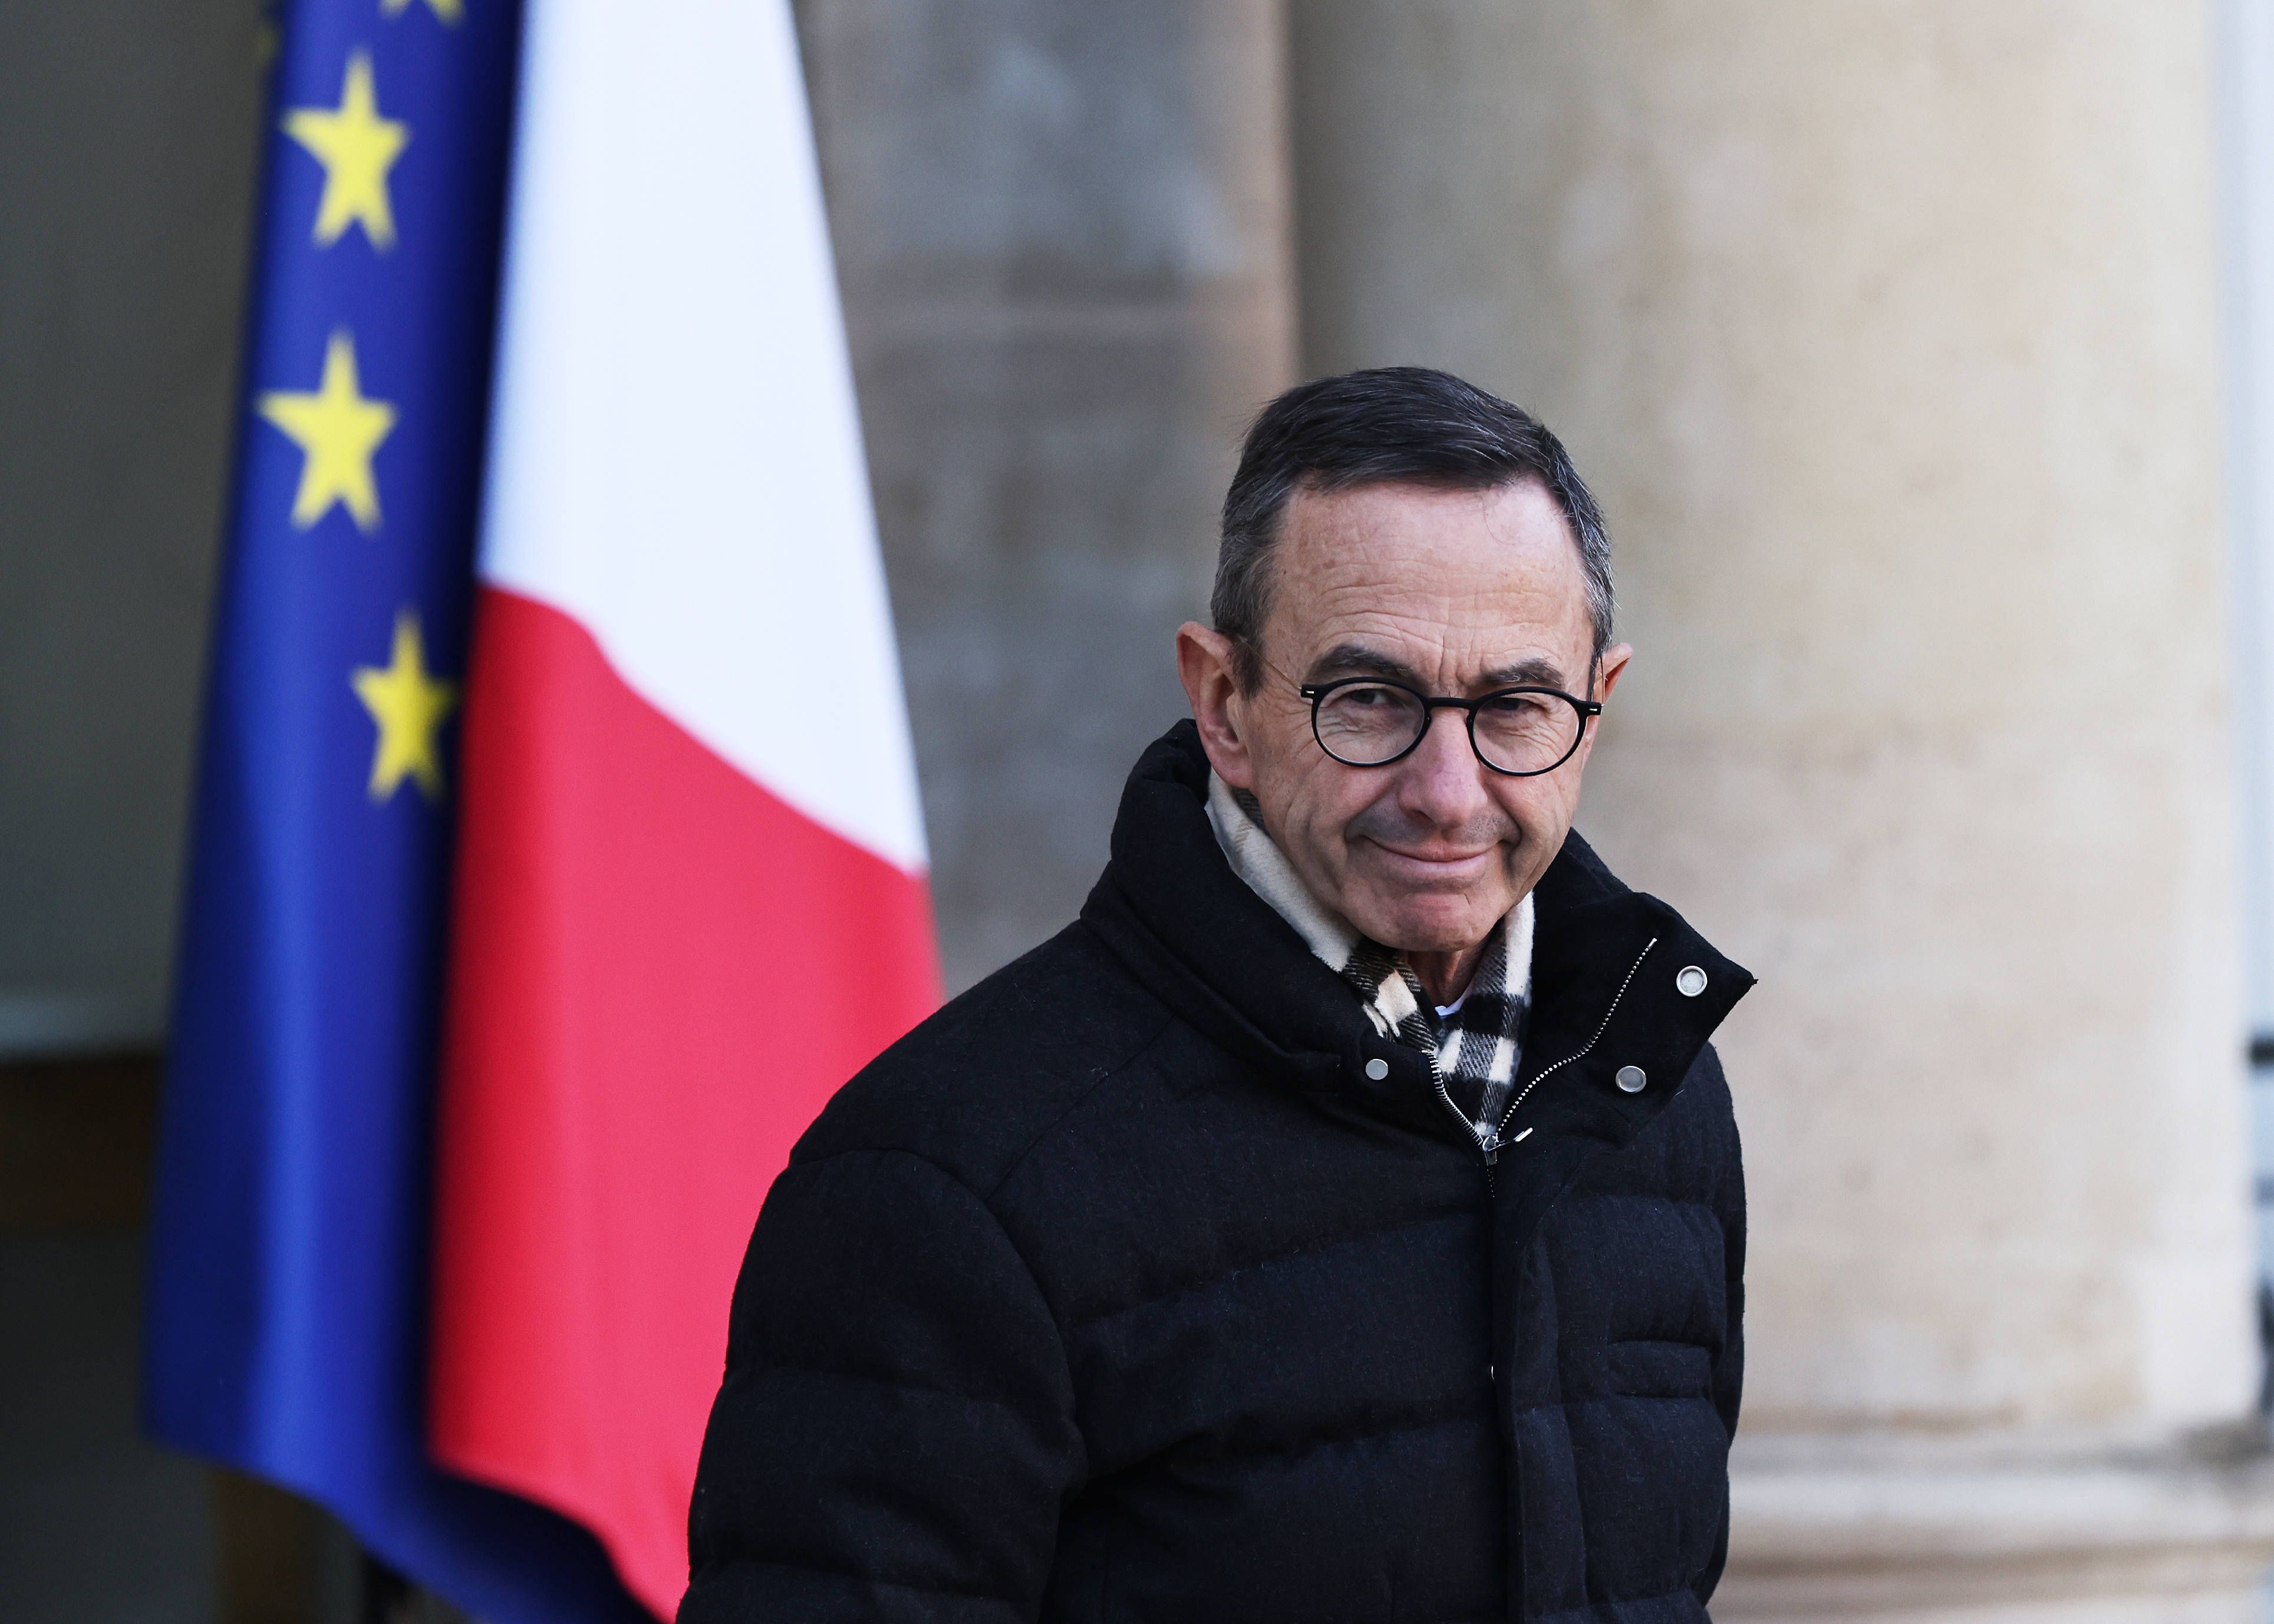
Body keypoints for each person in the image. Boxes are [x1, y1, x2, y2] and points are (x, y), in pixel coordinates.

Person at [679, 366, 1754, 1623]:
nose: (1449, 792)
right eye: (1369, 700)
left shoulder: (1653, 1101)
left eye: (1514, 706)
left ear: (1597, 701)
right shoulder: (945, 1179)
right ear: (1222, 704)